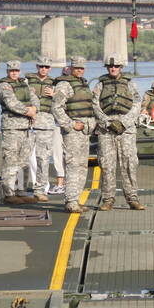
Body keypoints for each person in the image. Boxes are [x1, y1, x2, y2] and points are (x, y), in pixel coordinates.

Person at [93, 57, 144, 211]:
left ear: (121, 67)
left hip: (126, 129)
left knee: (129, 163)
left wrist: (124, 122)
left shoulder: (130, 84)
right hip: (106, 129)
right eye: (110, 66)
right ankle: (108, 199)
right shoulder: (100, 85)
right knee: (107, 164)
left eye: (116, 66)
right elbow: (95, 105)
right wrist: (108, 122)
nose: (113, 68)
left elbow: (137, 104)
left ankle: (132, 198)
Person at [52, 57, 98, 213]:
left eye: (82, 68)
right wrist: (71, 124)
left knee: (82, 166)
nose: (79, 70)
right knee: (72, 165)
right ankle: (71, 201)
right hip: (73, 131)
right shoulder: (64, 85)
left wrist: (92, 124)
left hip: (85, 131)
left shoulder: (83, 84)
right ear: (71, 68)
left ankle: (76, 199)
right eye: (76, 68)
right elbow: (57, 108)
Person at [0, 60, 43, 204]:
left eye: (16, 70)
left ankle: (21, 191)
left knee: (23, 161)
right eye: (11, 71)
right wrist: (29, 111)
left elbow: (35, 100)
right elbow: (12, 104)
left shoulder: (25, 84)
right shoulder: (4, 86)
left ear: (19, 71)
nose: (14, 73)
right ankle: (9, 193)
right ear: (7, 71)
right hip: (12, 128)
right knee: (11, 160)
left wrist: (35, 109)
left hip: (26, 128)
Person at [26, 60, 59, 197]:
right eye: (41, 66)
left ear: (50, 68)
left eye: (46, 67)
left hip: (46, 123)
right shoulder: (26, 82)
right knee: (28, 156)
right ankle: (34, 184)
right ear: (37, 67)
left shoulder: (55, 83)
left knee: (44, 157)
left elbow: (64, 101)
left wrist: (54, 95)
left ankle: (43, 187)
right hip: (29, 122)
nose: (44, 69)